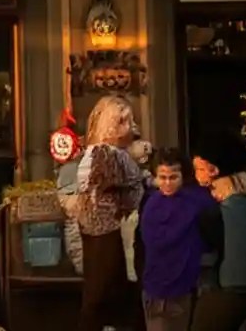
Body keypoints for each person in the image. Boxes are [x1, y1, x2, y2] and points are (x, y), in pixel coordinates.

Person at [71, 94, 144, 331]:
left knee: (104, 296)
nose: (129, 127)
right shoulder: (105, 153)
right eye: (122, 121)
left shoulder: (105, 153)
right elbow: (107, 186)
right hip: (110, 232)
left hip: (108, 231)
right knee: (104, 295)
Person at [191, 132, 246, 331]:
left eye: (199, 168)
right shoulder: (245, 199)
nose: (196, 174)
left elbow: (240, 260)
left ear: (213, 169)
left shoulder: (234, 206)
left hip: (233, 290)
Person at [139, 148, 215, 331]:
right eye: (162, 177)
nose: (167, 183)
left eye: (173, 177)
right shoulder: (152, 204)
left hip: (184, 288)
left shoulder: (195, 201)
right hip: (157, 288)